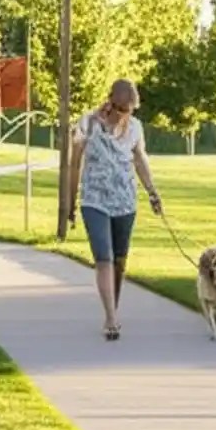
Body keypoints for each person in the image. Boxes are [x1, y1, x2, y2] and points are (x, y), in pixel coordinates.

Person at [68, 79, 163, 341]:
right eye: (123, 109)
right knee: (104, 257)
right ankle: (111, 318)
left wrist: (153, 192)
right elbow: (74, 163)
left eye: (131, 110)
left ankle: (113, 306)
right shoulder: (88, 123)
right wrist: (70, 201)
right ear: (110, 101)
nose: (126, 114)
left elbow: (140, 159)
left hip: (125, 201)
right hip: (94, 200)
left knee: (119, 260)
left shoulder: (135, 127)